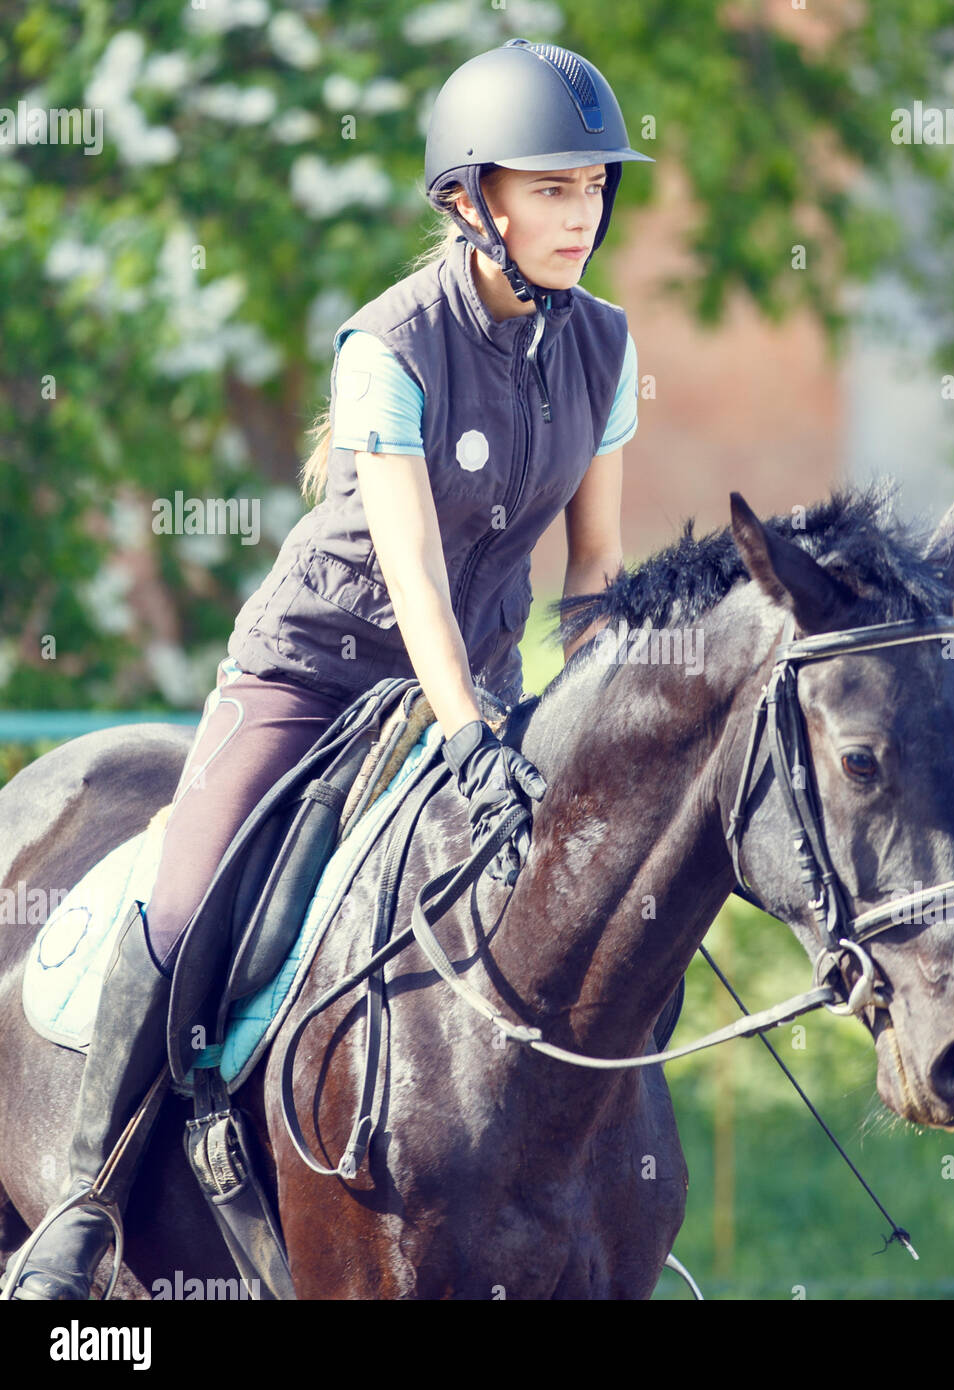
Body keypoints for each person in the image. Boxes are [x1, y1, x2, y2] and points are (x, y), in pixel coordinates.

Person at [8, 37, 652, 1300]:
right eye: (552, 187)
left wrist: (593, 719)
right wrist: (464, 724)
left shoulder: (605, 348)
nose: (581, 214)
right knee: (186, 904)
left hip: (480, 695)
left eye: (592, 189)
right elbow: (410, 564)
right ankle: (82, 1209)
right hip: (313, 678)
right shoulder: (392, 342)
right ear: (474, 198)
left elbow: (600, 559)